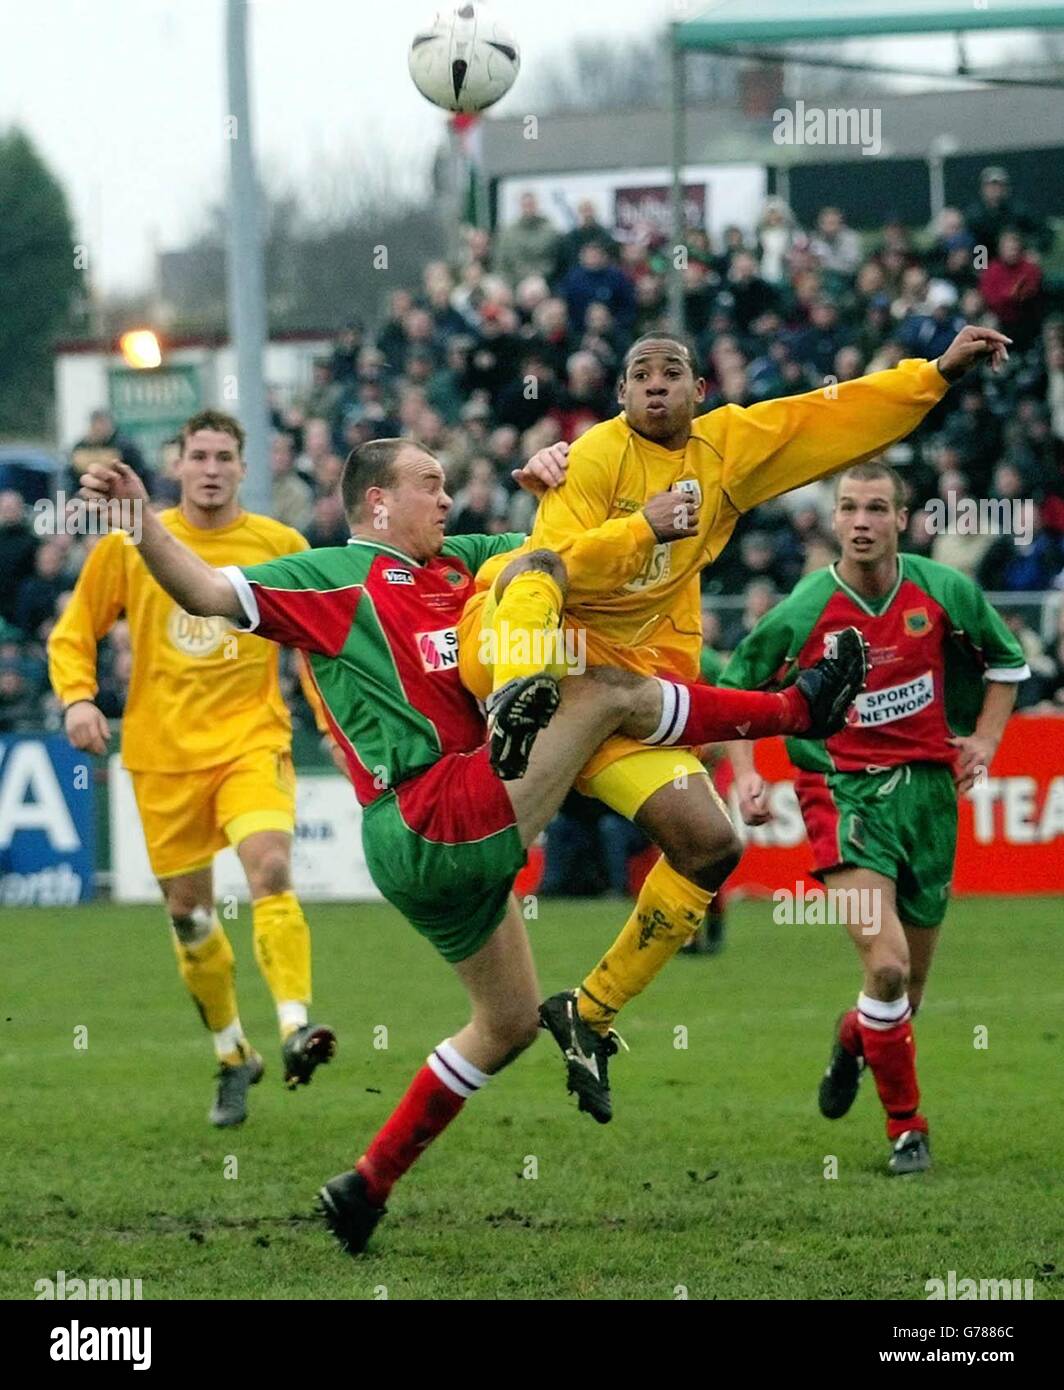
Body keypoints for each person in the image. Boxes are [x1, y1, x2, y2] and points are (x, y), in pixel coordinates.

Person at [77, 437, 868, 1254]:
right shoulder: (331, 578)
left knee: (506, 1023)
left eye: (450, 484)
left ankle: (365, 1186)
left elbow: (556, 557)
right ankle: (796, 712)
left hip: (450, 834)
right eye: (431, 485)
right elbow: (207, 590)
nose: (448, 500)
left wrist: (569, 483)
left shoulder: (466, 564)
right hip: (428, 811)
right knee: (602, 692)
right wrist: (142, 525)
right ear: (378, 503)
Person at [456, 323, 1011, 1124]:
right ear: (618, 395)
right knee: (532, 572)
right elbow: (559, 567)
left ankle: (589, 1012)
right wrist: (646, 526)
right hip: (541, 661)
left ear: (699, 392)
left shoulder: (725, 453)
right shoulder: (592, 460)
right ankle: (518, 698)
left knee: (713, 846)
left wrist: (937, 375)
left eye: (671, 372)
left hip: (631, 695)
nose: (655, 384)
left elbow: (826, 416)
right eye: (639, 373)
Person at [721, 461, 1029, 1174]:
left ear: (901, 518)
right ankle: (907, 1129)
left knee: (904, 994)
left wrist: (983, 738)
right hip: (842, 793)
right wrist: (745, 777)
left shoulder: (942, 590)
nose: (860, 521)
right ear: (835, 521)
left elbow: (1007, 663)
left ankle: (854, 1039)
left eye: (875, 509)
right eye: (849, 508)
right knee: (885, 965)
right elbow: (734, 689)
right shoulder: (804, 608)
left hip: (928, 797)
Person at [49, 410, 341, 1127]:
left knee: (270, 867)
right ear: (178, 467)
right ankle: (232, 1052)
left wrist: (334, 726)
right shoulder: (133, 543)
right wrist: (78, 700)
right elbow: (74, 631)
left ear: (245, 469)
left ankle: (296, 1024)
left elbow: (314, 645)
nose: (211, 468)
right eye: (198, 456)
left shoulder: (279, 546)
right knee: (189, 914)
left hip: (251, 742)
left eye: (224, 456)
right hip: (162, 755)